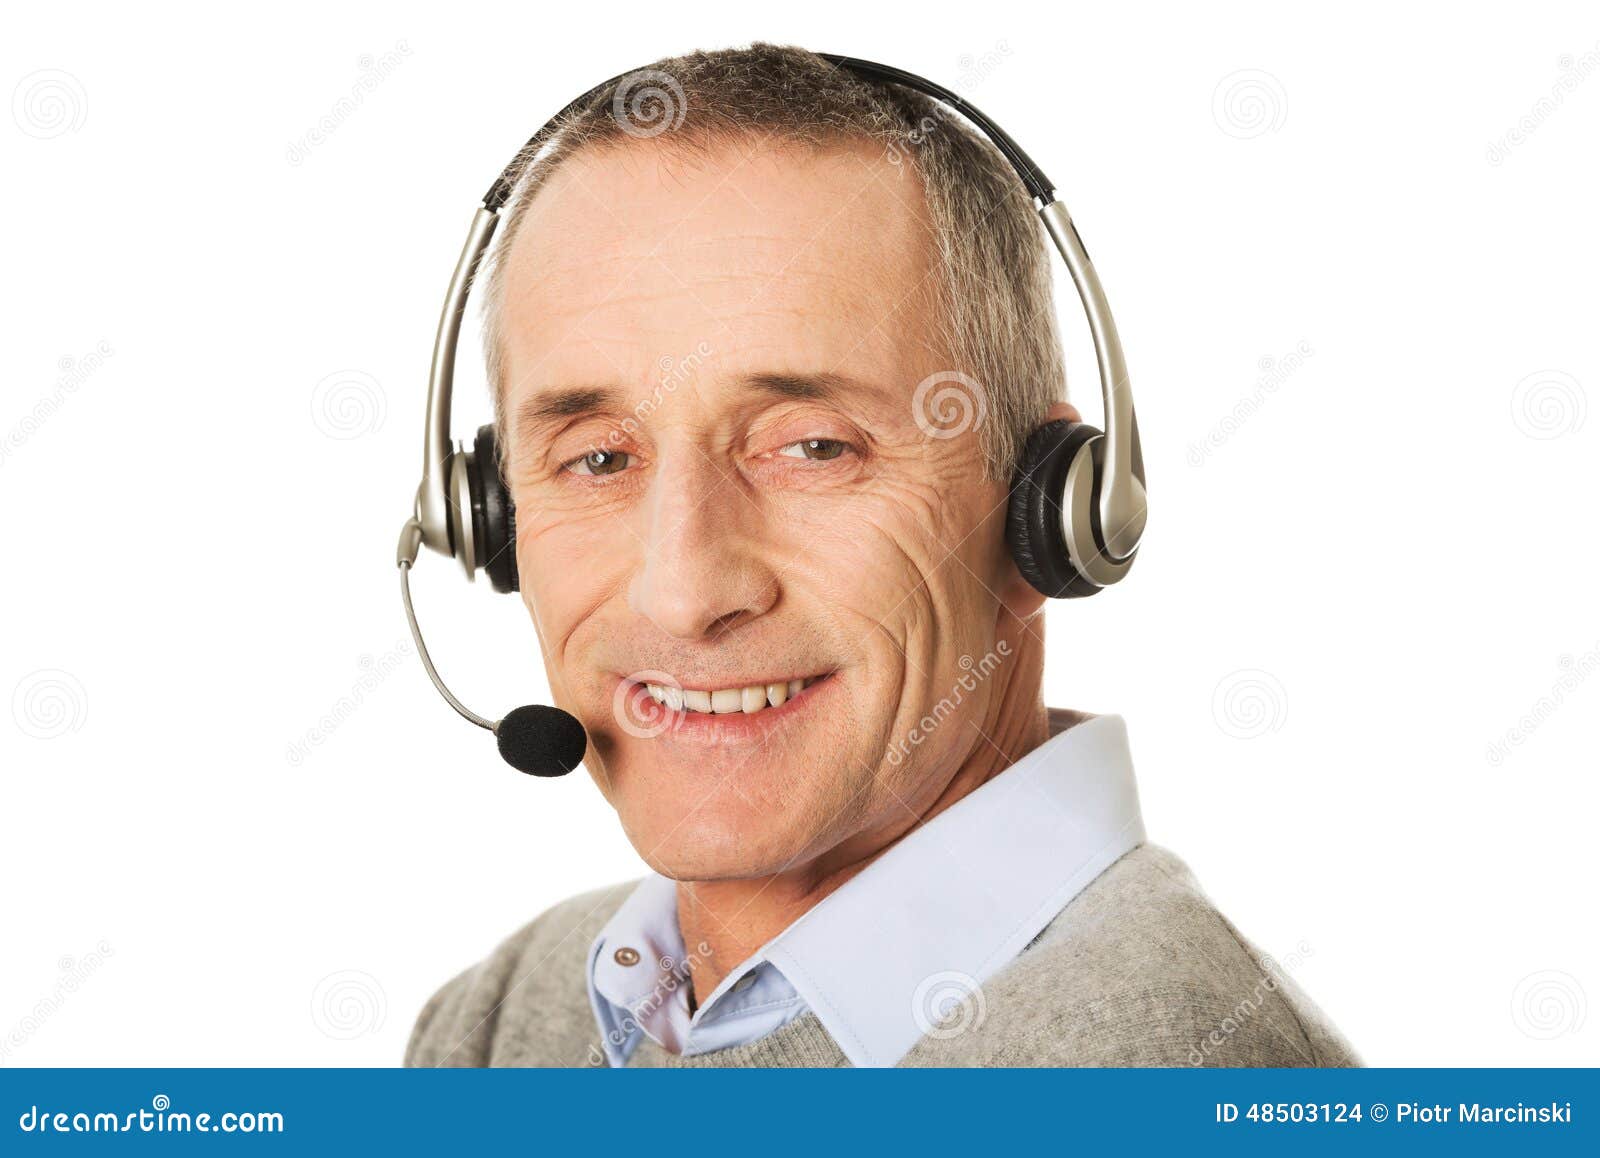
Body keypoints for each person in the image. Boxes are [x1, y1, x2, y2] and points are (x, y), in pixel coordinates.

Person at [405, 44, 1357, 1068]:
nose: (681, 592)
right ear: (485, 516)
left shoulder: (1162, 1063)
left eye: (814, 447)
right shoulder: (504, 1019)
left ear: (1055, 509)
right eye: (597, 459)